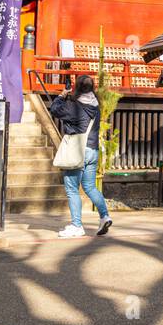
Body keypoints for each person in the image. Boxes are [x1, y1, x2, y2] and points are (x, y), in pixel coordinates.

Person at [50, 74, 113, 238]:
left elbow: (55, 110)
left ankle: (77, 225)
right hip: (92, 150)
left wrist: (61, 96)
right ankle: (104, 215)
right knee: (90, 187)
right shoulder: (96, 105)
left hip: (78, 151)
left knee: (72, 188)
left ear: (77, 87)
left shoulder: (75, 107)